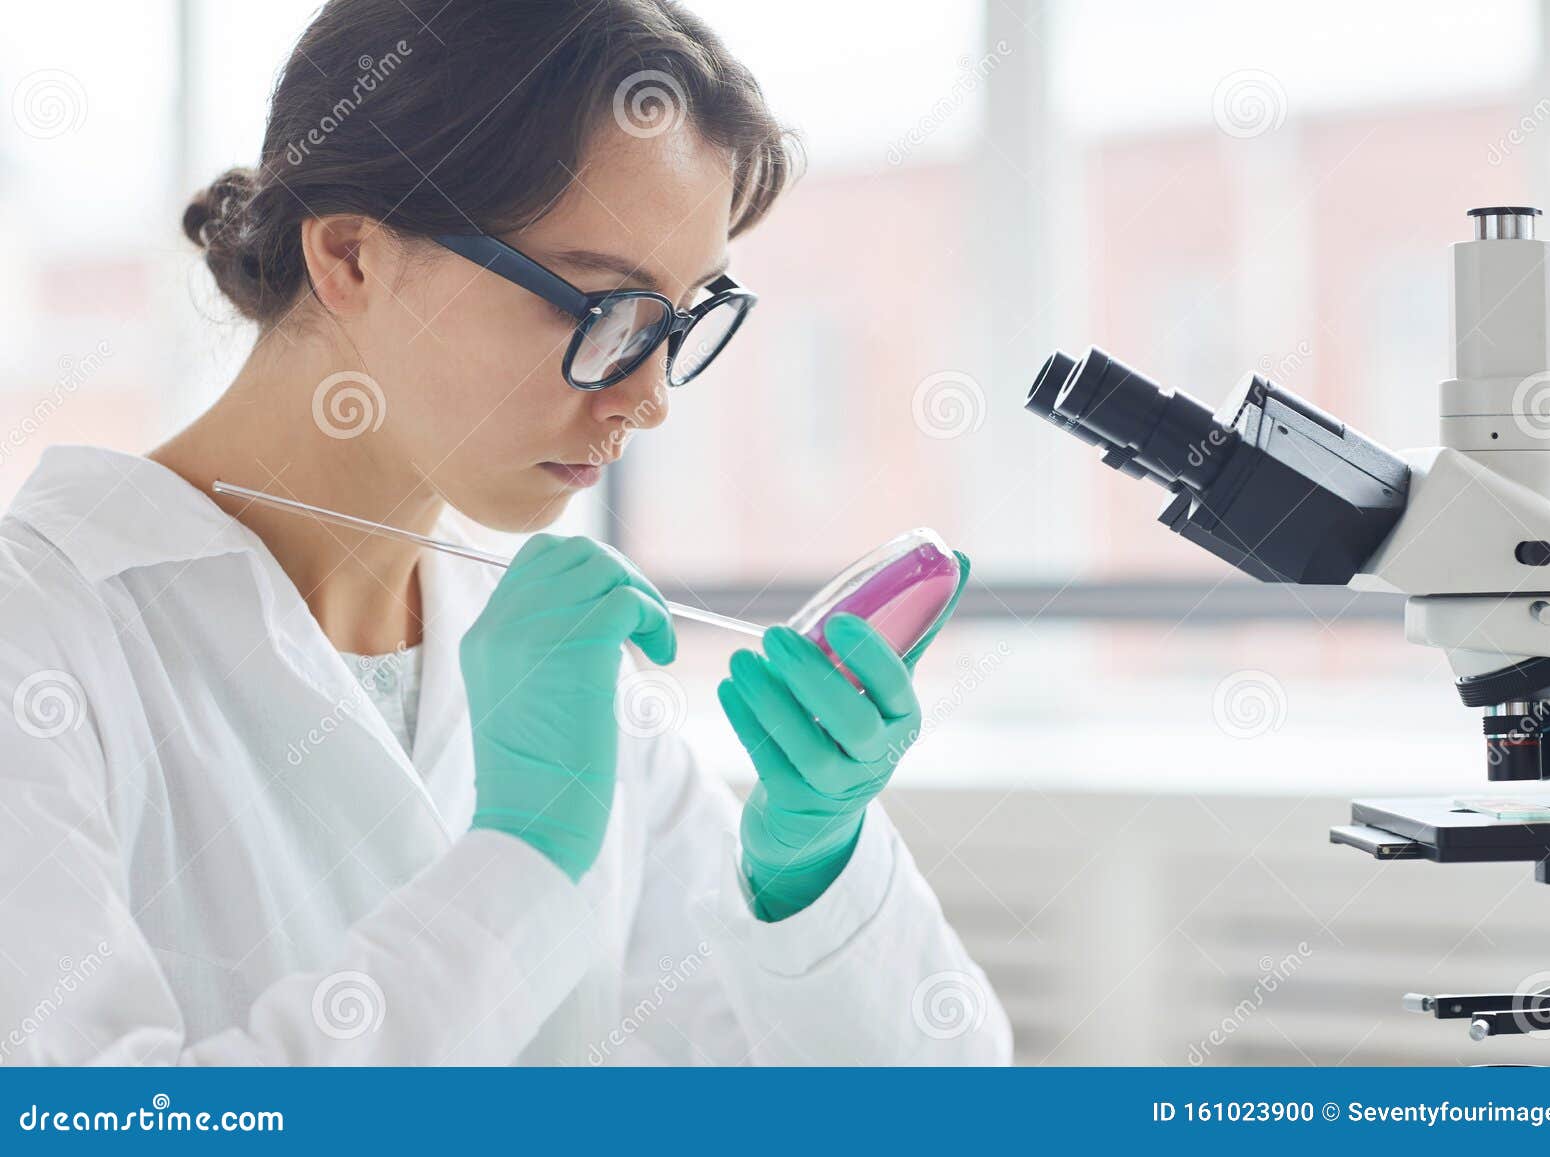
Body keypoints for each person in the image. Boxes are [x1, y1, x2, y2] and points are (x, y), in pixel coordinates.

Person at [0, 0, 1010, 1065]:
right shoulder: (42, 633)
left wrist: (805, 884)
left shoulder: (563, 676)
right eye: (600, 309)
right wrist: (520, 859)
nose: (649, 398)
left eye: (676, 324)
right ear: (351, 257)